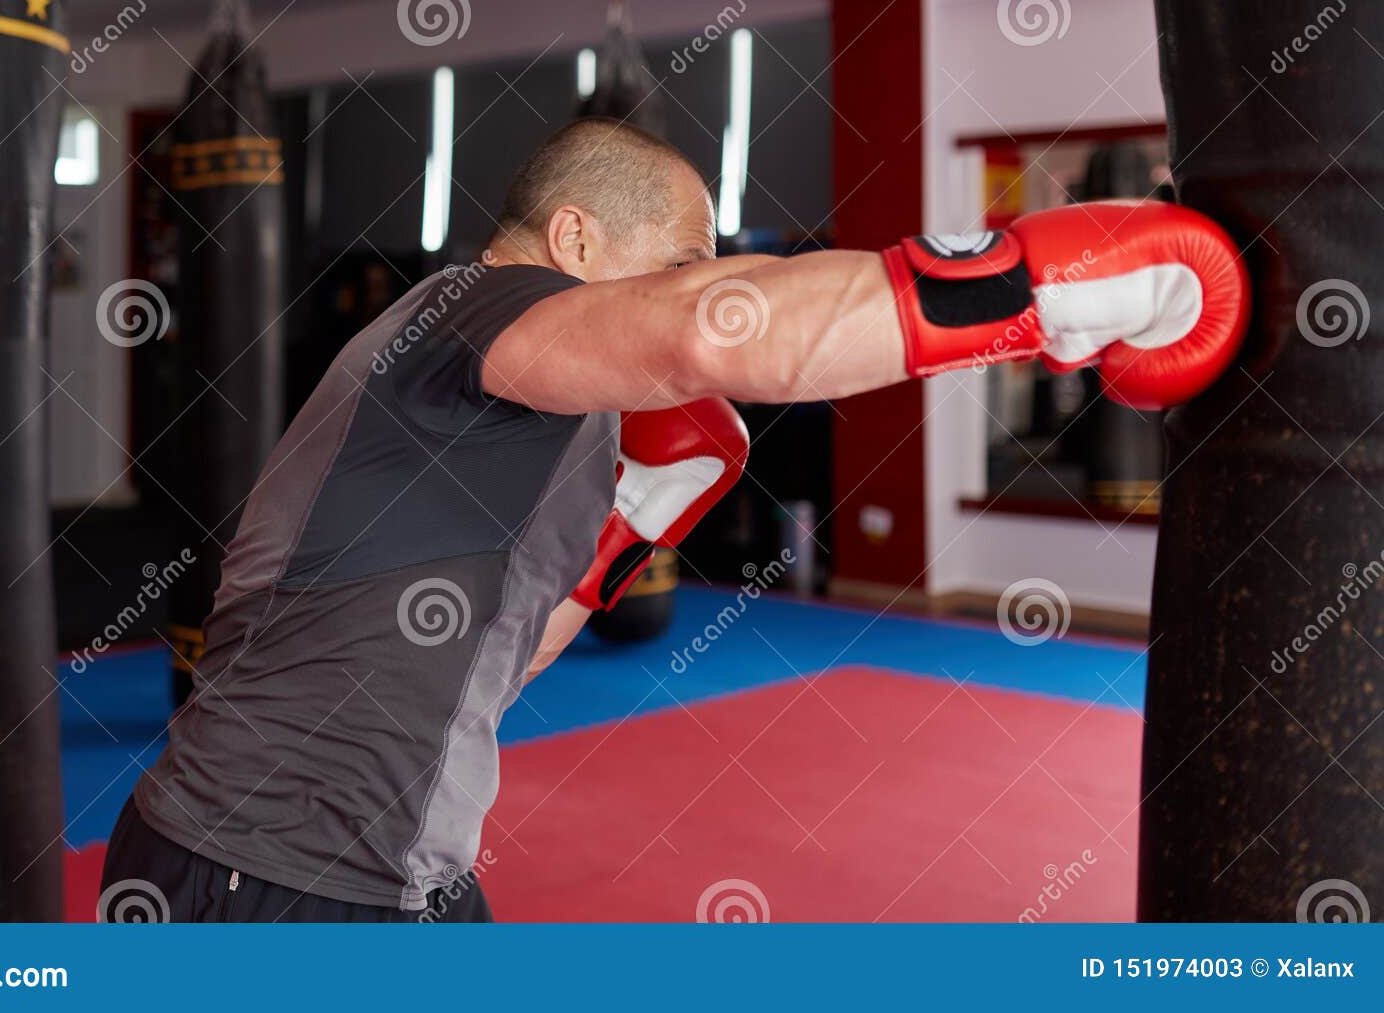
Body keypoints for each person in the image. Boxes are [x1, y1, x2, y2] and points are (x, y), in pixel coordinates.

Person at [100, 117, 1248, 922]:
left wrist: (623, 533)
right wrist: (1032, 290)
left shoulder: (548, 410)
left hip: (388, 873)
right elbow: (715, 329)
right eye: (683, 260)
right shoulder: (469, 310)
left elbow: (499, 661)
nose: (701, 282)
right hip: (264, 871)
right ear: (574, 243)